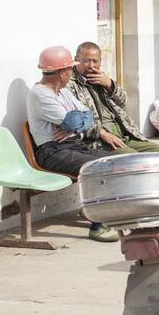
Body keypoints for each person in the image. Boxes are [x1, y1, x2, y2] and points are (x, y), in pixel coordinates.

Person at [25, 45, 120, 242]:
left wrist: (74, 126)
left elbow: (89, 118)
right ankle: (97, 226)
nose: (71, 73)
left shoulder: (64, 91)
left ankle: (99, 211)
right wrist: (74, 124)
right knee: (96, 169)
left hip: (73, 145)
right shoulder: (40, 94)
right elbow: (73, 121)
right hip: (52, 151)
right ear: (62, 72)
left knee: (117, 161)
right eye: (69, 69)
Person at [67, 42, 159, 154]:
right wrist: (101, 133)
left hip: (124, 133)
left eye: (95, 61)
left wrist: (110, 85)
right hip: (99, 140)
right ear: (76, 60)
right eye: (86, 61)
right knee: (131, 157)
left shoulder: (102, 78)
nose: (91, 65)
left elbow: (123, 102)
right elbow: (75, 120)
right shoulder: (69, 84)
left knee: (158, 152)